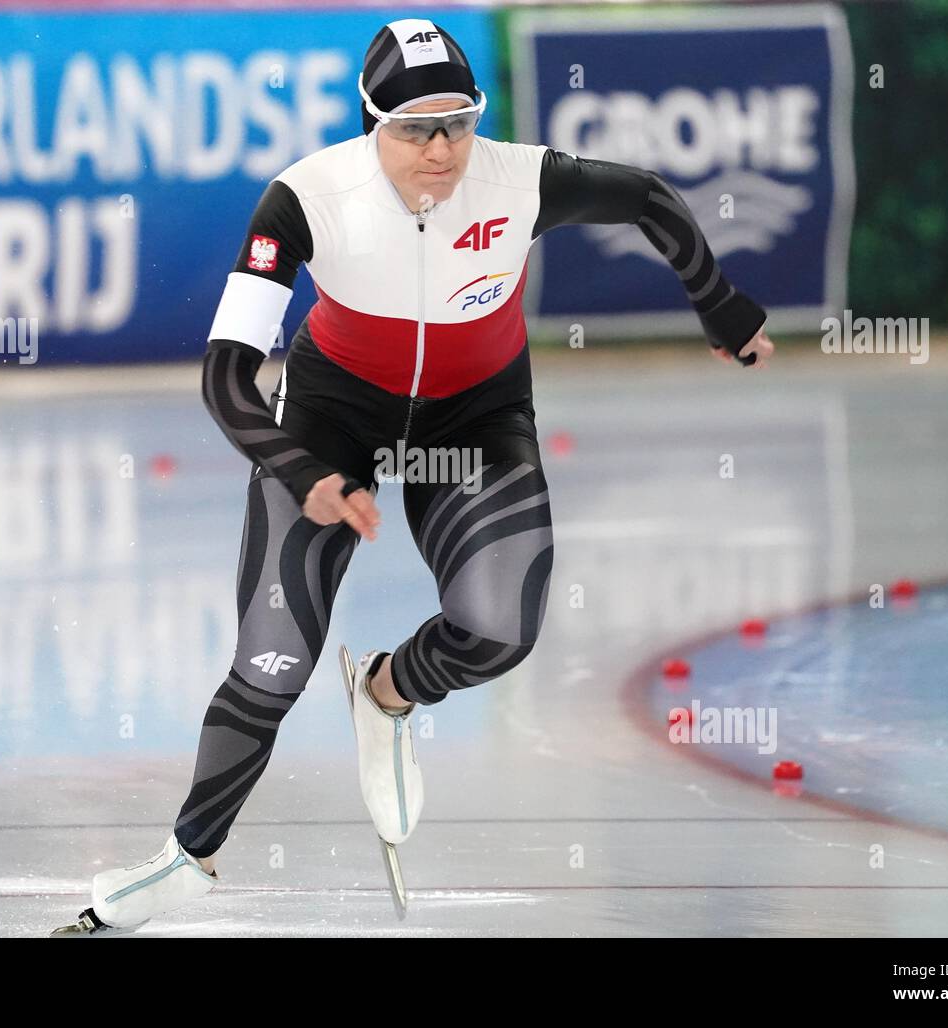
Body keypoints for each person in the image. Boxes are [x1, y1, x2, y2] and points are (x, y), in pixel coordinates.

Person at [54, 17, 773, 935]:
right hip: (328, 423)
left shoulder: (522, 179)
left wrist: (720, 307)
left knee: (500, 628)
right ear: (370, 123)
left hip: (474, 417)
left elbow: (647, 195)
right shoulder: (306, 198)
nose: (440, 151)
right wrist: (298, 468)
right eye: (411, 129)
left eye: (457, 126)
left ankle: (388, 692)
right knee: (271, 668)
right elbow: (226, 375)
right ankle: (186, 859)